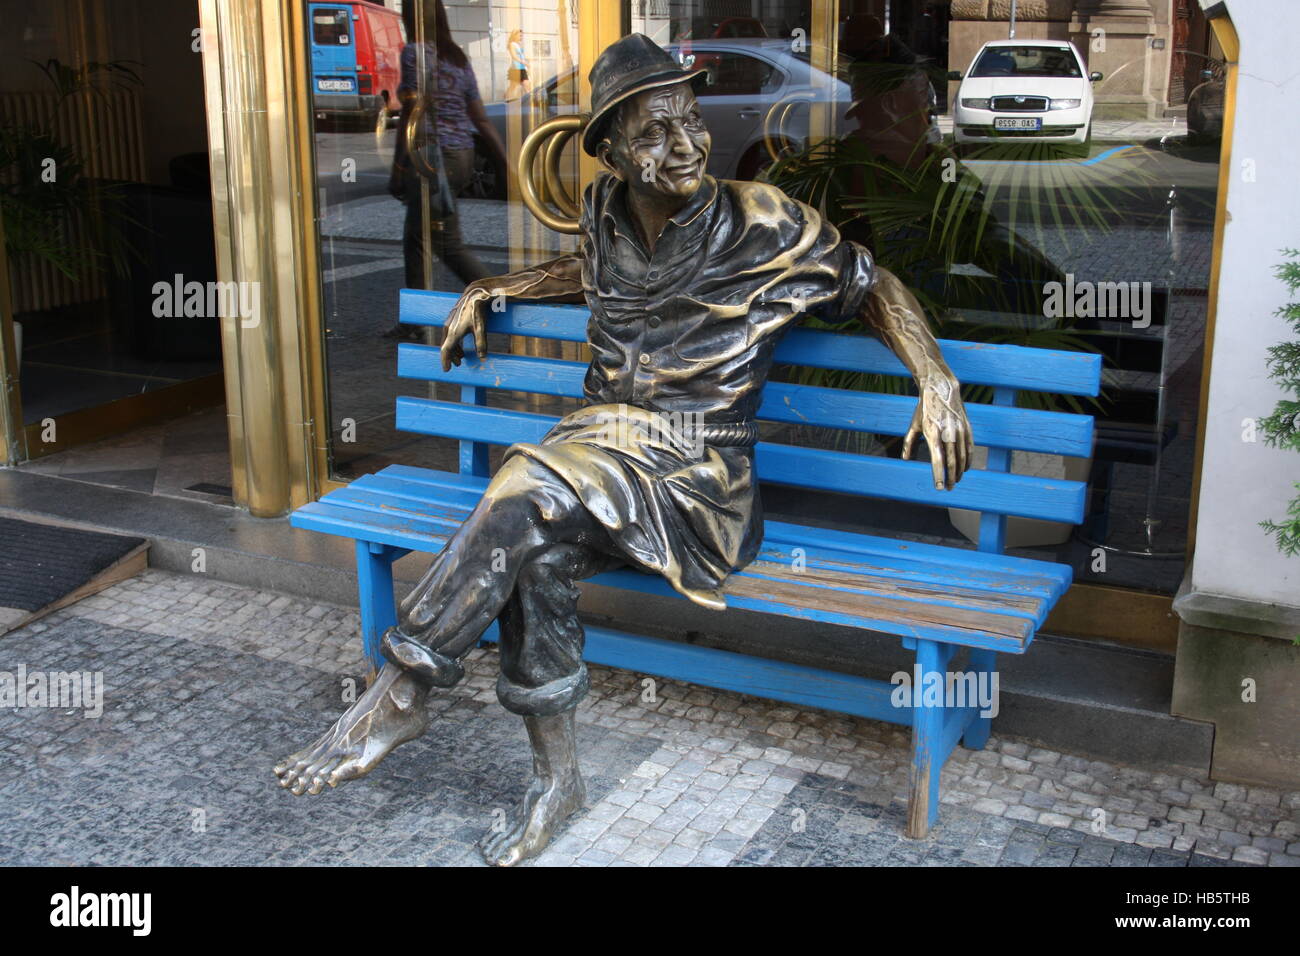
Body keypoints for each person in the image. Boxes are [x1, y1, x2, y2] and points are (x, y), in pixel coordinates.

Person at [277, 34, 974, 867]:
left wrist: (936, 379)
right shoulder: (606, 213)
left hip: (699, 478)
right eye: (652, 134)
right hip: (599, 457)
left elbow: (874, 286)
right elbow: (587, 273)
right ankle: (556, 782)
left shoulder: (766, 225)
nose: (682, 147)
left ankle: (398, 690)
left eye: (688, 123)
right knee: (531, 553)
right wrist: (494, 287)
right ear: (611, 152)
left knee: (523, 490)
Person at [389, 0, 508, 312]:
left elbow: (411, 115)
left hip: (431, 158)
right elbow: (480, 118)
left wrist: (399, 165)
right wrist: (504, 162)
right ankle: (414, 320)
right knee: (419, 235)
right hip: (463, 155)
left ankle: (500, 300)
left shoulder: (415, 53)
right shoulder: (456, 56)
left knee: (441, 242)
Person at [505, 29, 531, 99]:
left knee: (525, 86)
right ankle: (505, 100)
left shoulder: (518, 44)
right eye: (520, 35)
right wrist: (525, 63)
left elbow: (521, 56)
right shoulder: (512, 44)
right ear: (515, 35)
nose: (521, 37)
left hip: (521, 68)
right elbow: (514, 56)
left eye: (522, 36)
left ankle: (505, 99)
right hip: (516, 68)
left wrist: (526, 65)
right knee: (514, 87)